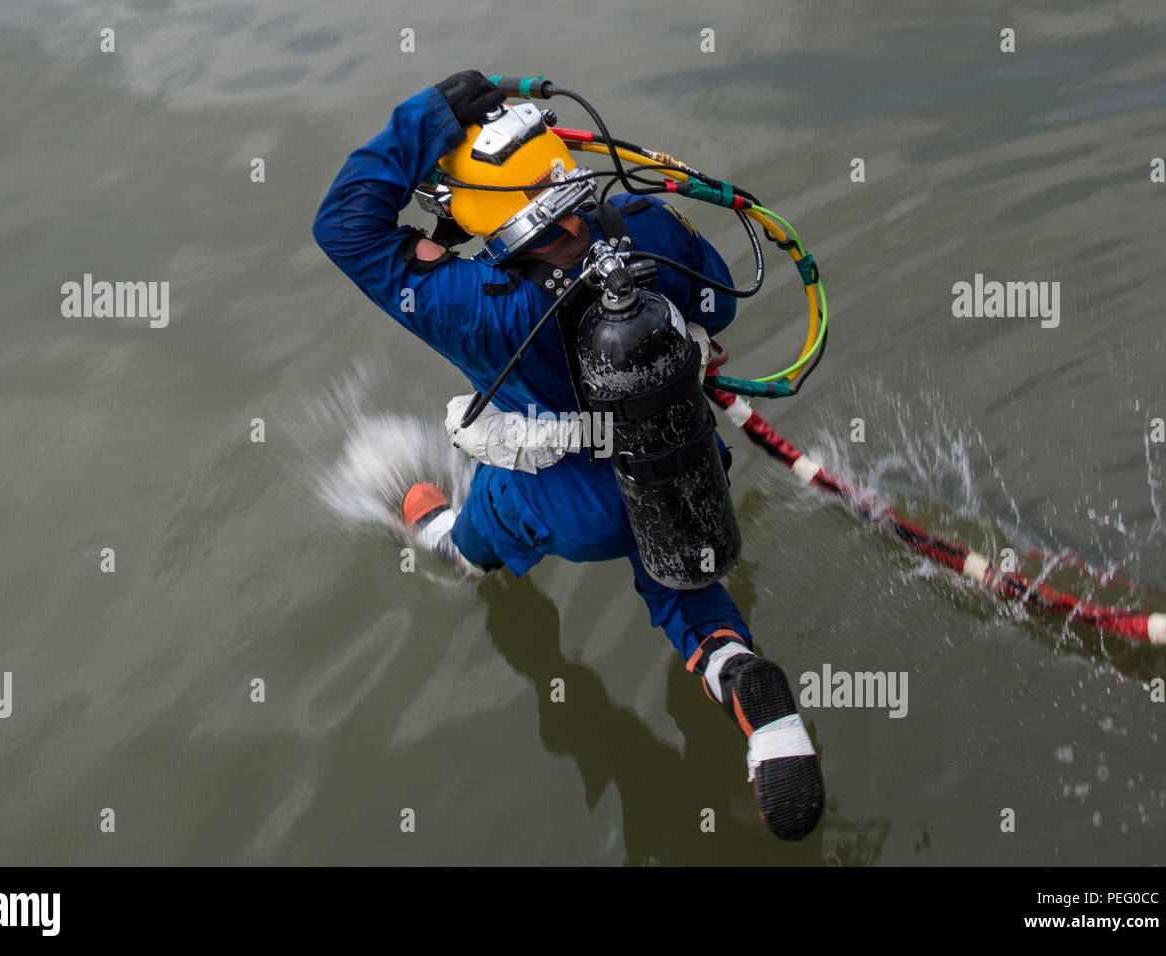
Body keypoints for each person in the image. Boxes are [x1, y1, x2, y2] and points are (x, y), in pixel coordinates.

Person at [314, 70, 823, 840]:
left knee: (479, 533)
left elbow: (344, 225)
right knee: (686, 590)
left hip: (566, 501)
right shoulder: (642, 226)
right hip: (680, 456)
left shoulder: (476, 306)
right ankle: (751, 692)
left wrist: (434, 115)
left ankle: (453, 541)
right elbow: (715, 301)